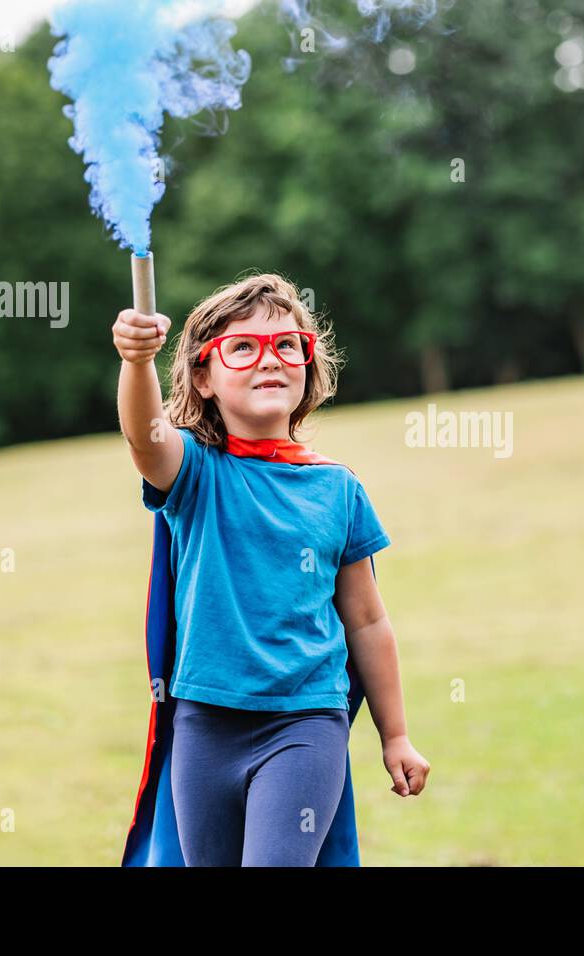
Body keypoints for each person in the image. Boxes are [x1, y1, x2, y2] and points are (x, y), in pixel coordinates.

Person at [112, 271, 429, 865]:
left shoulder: (337, 488)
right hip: (205, 725)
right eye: (243, 347)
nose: (270, 361)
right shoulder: (197, 476)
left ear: (309, 365)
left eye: (287, 345)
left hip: (305, 722)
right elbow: (146, 439)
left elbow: (366, 621)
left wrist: (396, 735)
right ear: (203, 377)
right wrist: (137, 362)